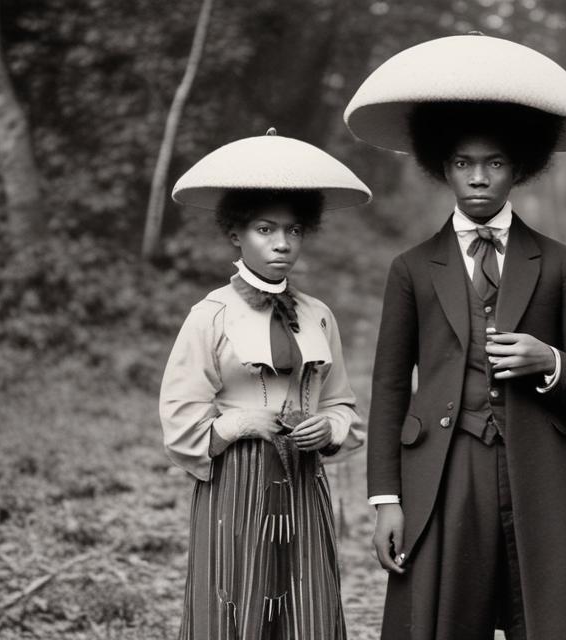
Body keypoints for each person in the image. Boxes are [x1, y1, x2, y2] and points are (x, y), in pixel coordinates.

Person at [344, 34, 566, 640]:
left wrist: (550, 360)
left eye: (494, 163)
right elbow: (389, 389)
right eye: (464, 163)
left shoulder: (560, 261)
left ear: (519, 168)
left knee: (547, 621)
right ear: (443, 168)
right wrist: (385, 499)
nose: (478, 177)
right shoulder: (412, 268)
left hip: (540, 472)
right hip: (443, 472)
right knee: (443, 622)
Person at [159, 130, 371, 640]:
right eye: (264, 229)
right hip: (234, 482)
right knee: (234, 597)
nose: (282, 243)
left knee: (306, 602)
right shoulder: (211, 315)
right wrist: (238, 424)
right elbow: (180, 418)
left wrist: (328, 428)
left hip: (303, 480)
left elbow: (343, 404)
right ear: (236, 234)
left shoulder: (318, 316)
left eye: (294, 230)